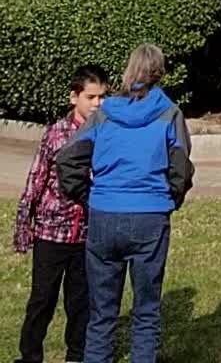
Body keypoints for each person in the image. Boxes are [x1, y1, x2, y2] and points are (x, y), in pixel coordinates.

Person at [55, 43, 194, 363]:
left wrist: (91, 197)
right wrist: (167, 201)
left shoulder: (103, 114)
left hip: (105, 217)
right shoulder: (170, 113)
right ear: (160, 73)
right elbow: (181, 169)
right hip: (148, 217)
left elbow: (67, 160)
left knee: (101, 314)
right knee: (145, 312)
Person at [13, 64, 110, 363]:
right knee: (42, 299)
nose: (97, 104)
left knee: (80, 301)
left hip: (86, 233)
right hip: (51, 231)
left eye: (102, 97)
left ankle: (76, 355)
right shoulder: (56, 134)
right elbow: (37, 177)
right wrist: (23, 224)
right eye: (91, 97)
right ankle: (30, 355)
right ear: (74, 97)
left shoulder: (107, 133)